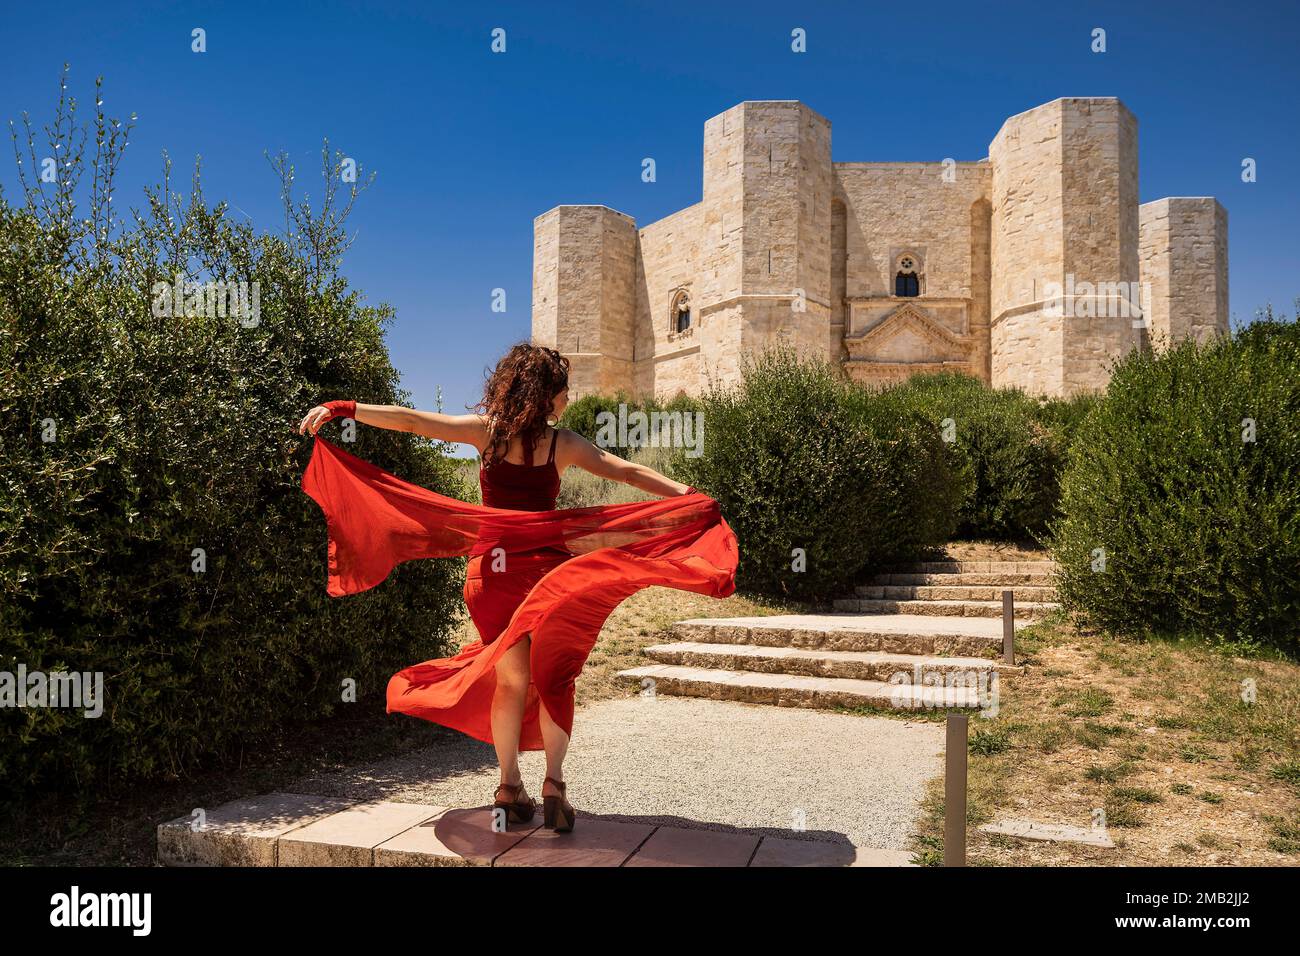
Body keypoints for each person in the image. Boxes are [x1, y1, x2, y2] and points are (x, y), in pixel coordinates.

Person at [297, 343, 701, 833]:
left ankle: (508, 787)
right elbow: (627, 471)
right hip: (549, 579)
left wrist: (346, 409)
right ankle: (554, 786)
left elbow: (412, 421)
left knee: (511, 679)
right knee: (554, 678)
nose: (566, 403)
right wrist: (688, 496)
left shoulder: (485, 434)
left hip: (491, 575)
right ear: (545, 396)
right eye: (562, 394)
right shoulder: (563, 444)